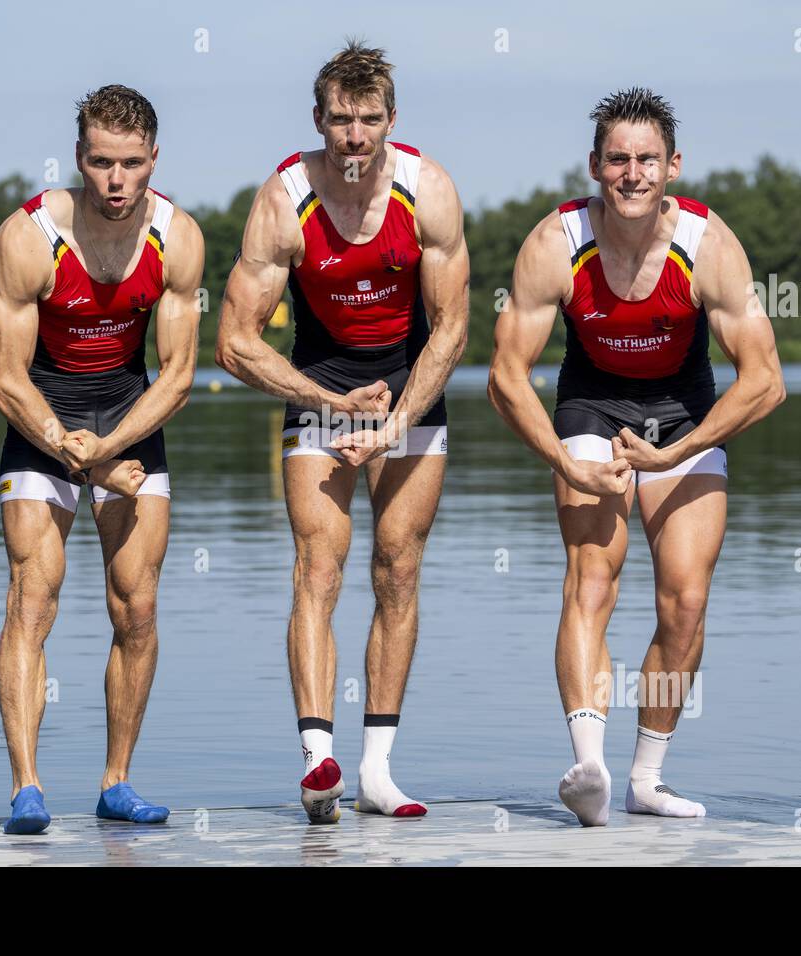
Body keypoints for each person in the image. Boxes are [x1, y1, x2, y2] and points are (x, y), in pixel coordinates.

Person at [488, 87, 785, 826]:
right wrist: (564, 460)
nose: (631, 173)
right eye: (617, 159)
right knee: (592, 577)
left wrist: (677, 452)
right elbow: (504, 376)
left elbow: (766, 382)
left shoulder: (707, 244)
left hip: (682, 414)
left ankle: (646, 779)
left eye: (646, 160)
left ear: (672, 166)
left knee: (684, 600)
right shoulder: (555, 244)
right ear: (594, 165)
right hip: (592, 406)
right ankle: (587, 764)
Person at [215, 42, 469, 823]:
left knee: (397, 571)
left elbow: (453, 329)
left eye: (368, 120)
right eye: (339, 120)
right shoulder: (284, 200)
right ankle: (318, 763)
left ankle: (378, 771)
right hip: (320, 386)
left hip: (407, 391)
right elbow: (233, 342)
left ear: (391, 120)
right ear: (317, 120)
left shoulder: (427, 192)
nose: (353, 137)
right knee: (318, 570)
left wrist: (393, 422)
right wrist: (328, 404)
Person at [0, 84, 204, 834]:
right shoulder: (28, 237)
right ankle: (27, 789)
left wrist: (108, 452)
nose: (116, 181)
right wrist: (76, 453)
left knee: (135, 605)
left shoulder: (178, 238)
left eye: (132, 165)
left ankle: (117, 783)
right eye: (102, 163)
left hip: (128, 418)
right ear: (78, 157)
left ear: (153, 161)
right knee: (32, 598)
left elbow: (176, 378)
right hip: (43, 414)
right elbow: (3, 381)